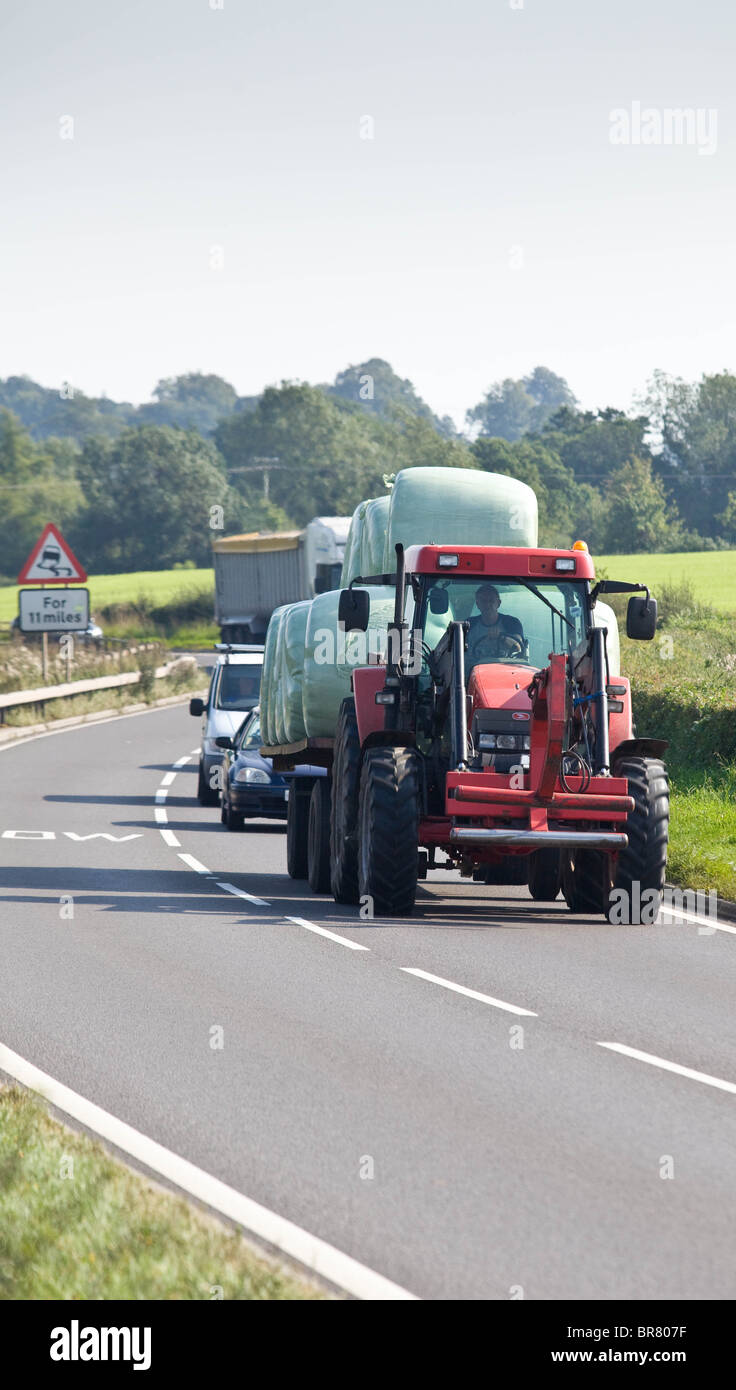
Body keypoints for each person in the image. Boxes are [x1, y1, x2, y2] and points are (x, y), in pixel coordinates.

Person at [466, 583, 524, 667]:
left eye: (491, 601)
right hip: (474, 672)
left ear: (498, 603)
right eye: (483, 601)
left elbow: (518, 647)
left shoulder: (511, 623)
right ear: (478, 604)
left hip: (505, 671)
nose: (487, 605)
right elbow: (455, 649)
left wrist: (502, 638)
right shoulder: (469, 624)